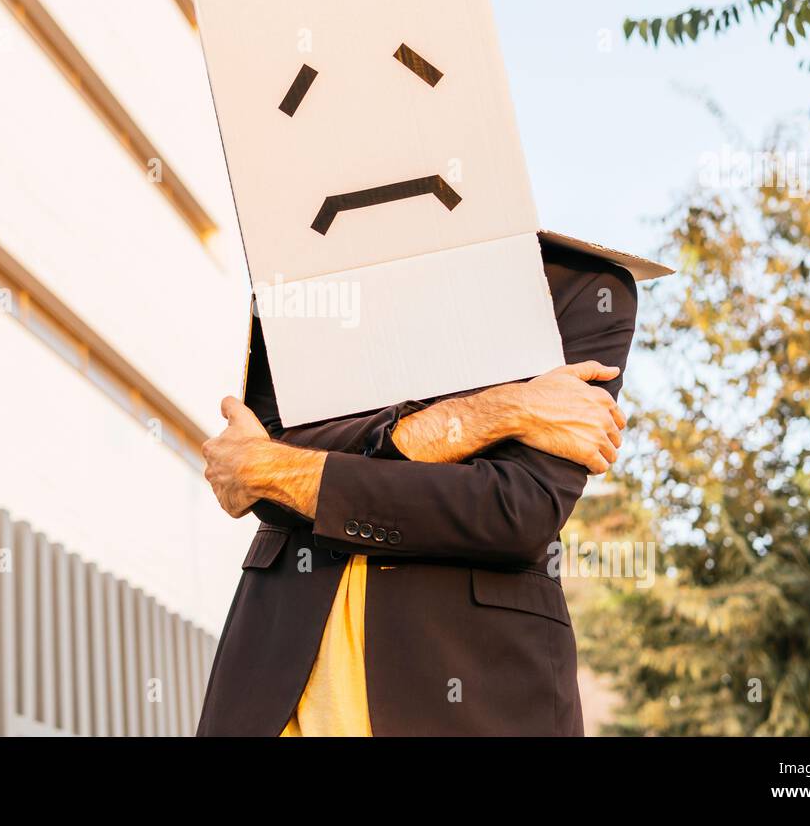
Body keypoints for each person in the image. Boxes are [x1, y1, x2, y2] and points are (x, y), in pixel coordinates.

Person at [196, 240, 637, 736]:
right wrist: (501, 411)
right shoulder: (304, 281)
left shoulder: (580, 285)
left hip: (474, 692)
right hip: (279, 687)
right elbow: (258, 469)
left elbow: (513, 511)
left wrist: (286, 468)